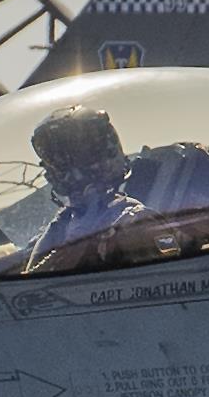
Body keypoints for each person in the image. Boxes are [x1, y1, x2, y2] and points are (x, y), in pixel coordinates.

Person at [24, 102, 147, 275]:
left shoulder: (133, 223)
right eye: (55, 159)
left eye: (75, 155)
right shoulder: (61, 226)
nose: (65, 169)